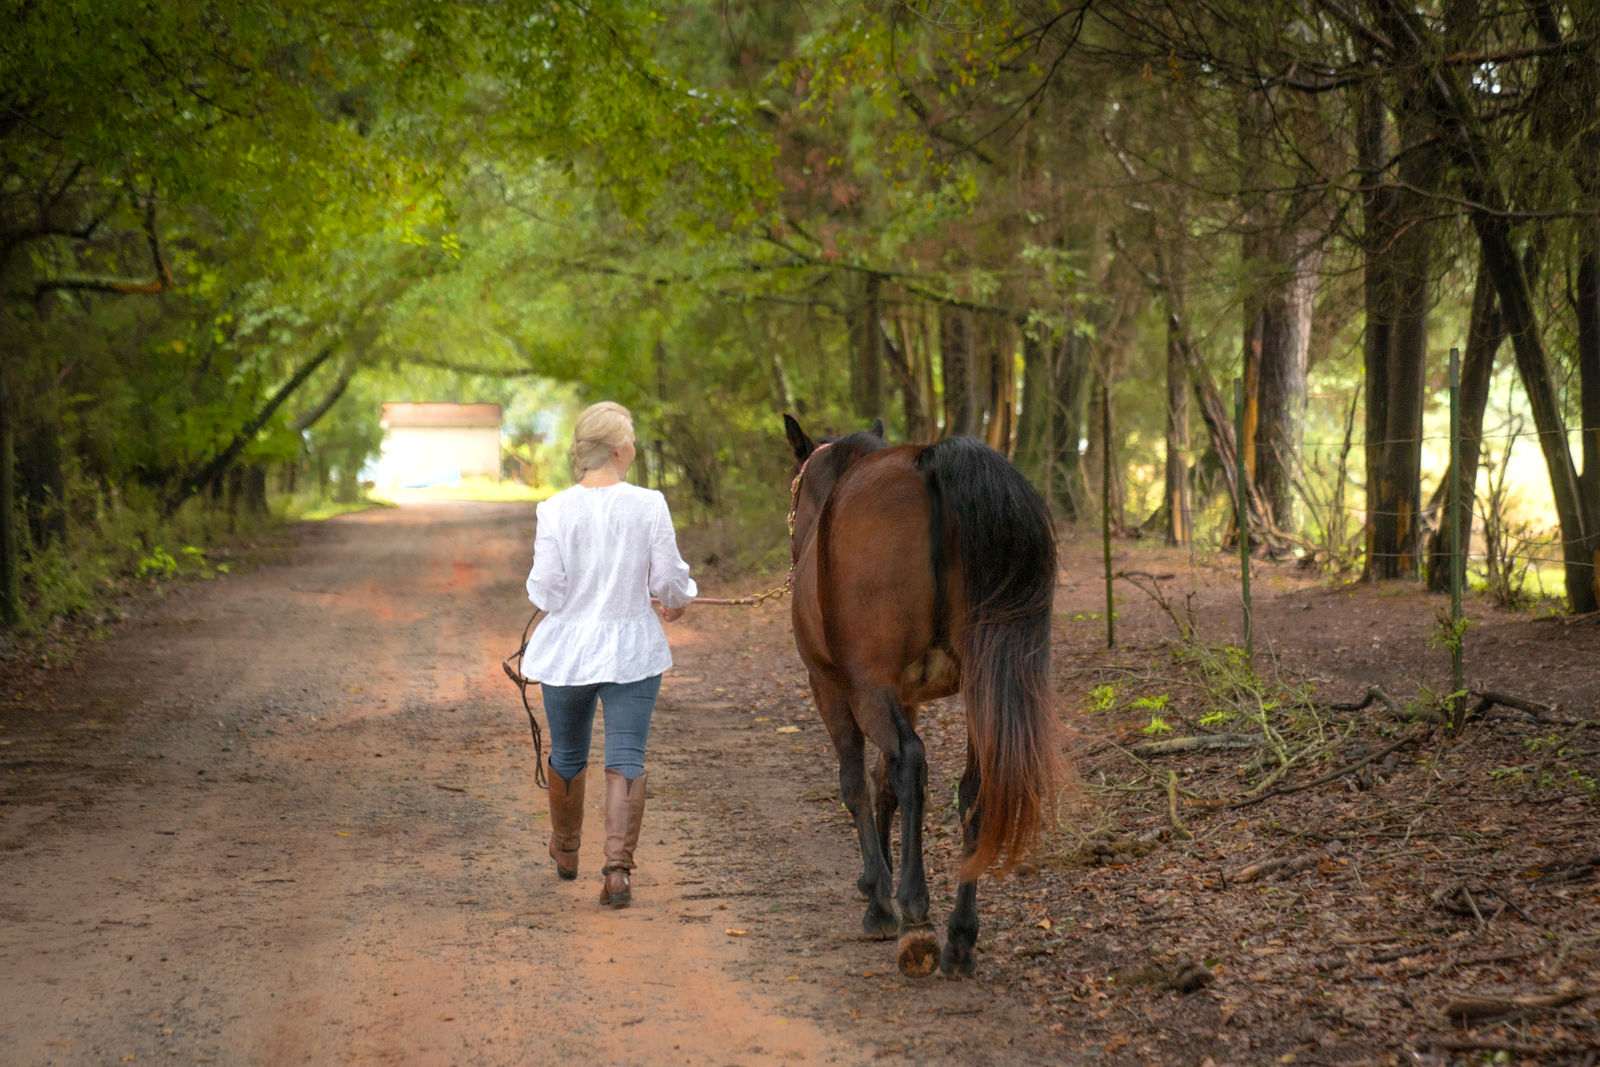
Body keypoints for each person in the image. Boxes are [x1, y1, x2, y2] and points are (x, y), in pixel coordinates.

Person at [520, 401, 696, 908]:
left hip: (568, 653)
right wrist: (675, 602)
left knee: (568, 753)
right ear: (620, 449)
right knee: (626, 757)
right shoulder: (649, 504)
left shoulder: (554, 508)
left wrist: (575, 595)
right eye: (633, 441)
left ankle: (567, 851)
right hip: (632, 650)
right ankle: (617, 873)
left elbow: (547, 592)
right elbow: (669, 583)